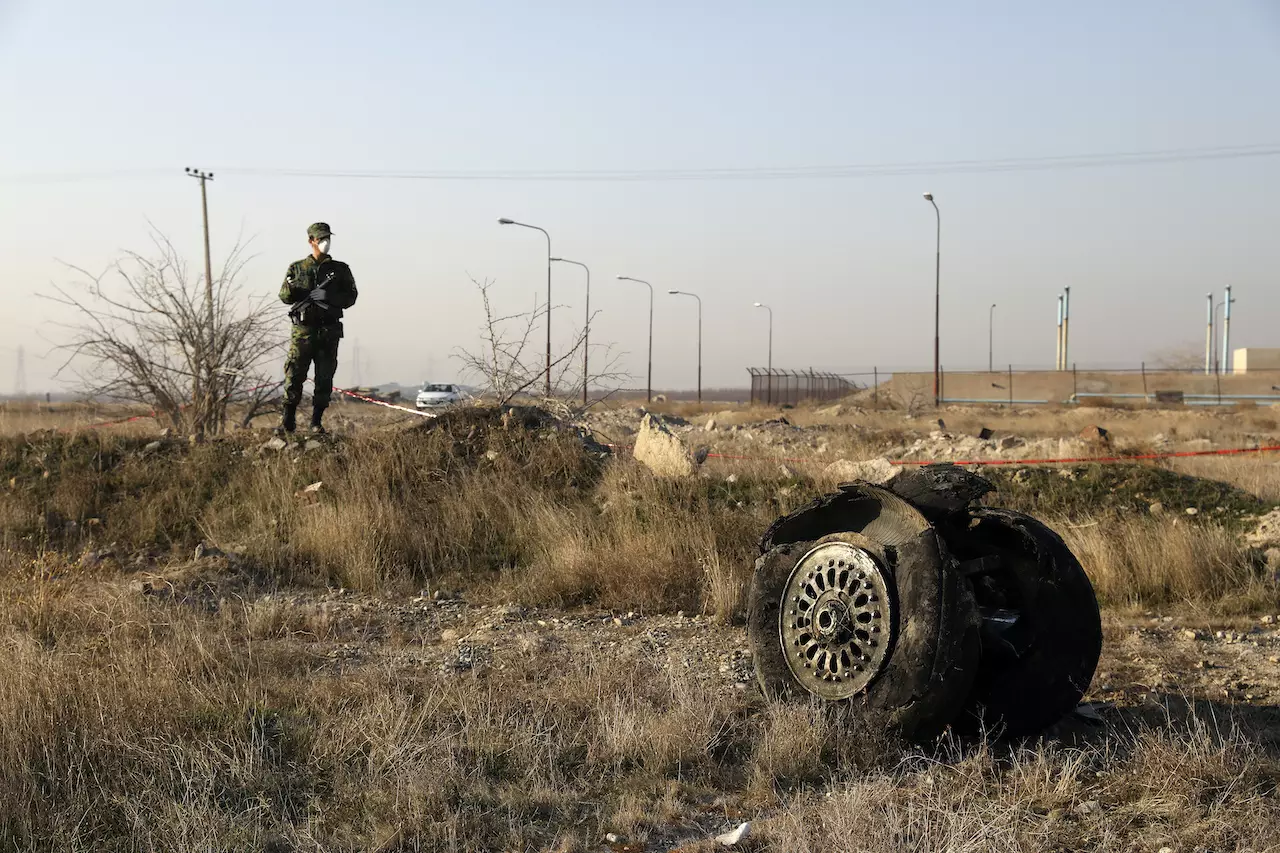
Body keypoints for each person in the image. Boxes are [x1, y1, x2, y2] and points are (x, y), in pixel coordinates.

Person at [277, 222, 358, 435]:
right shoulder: (297, 268)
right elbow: (284, 297)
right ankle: (288, 420)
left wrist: (329, 297)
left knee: (324, 377)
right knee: (294, 374)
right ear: (310, 241)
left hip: (328, 331)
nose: (325, 243)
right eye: (320, 239)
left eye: (327, 238)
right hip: (303, 330)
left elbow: (351, 297)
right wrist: (293, 289)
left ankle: (316, 421)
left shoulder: (340, 269)